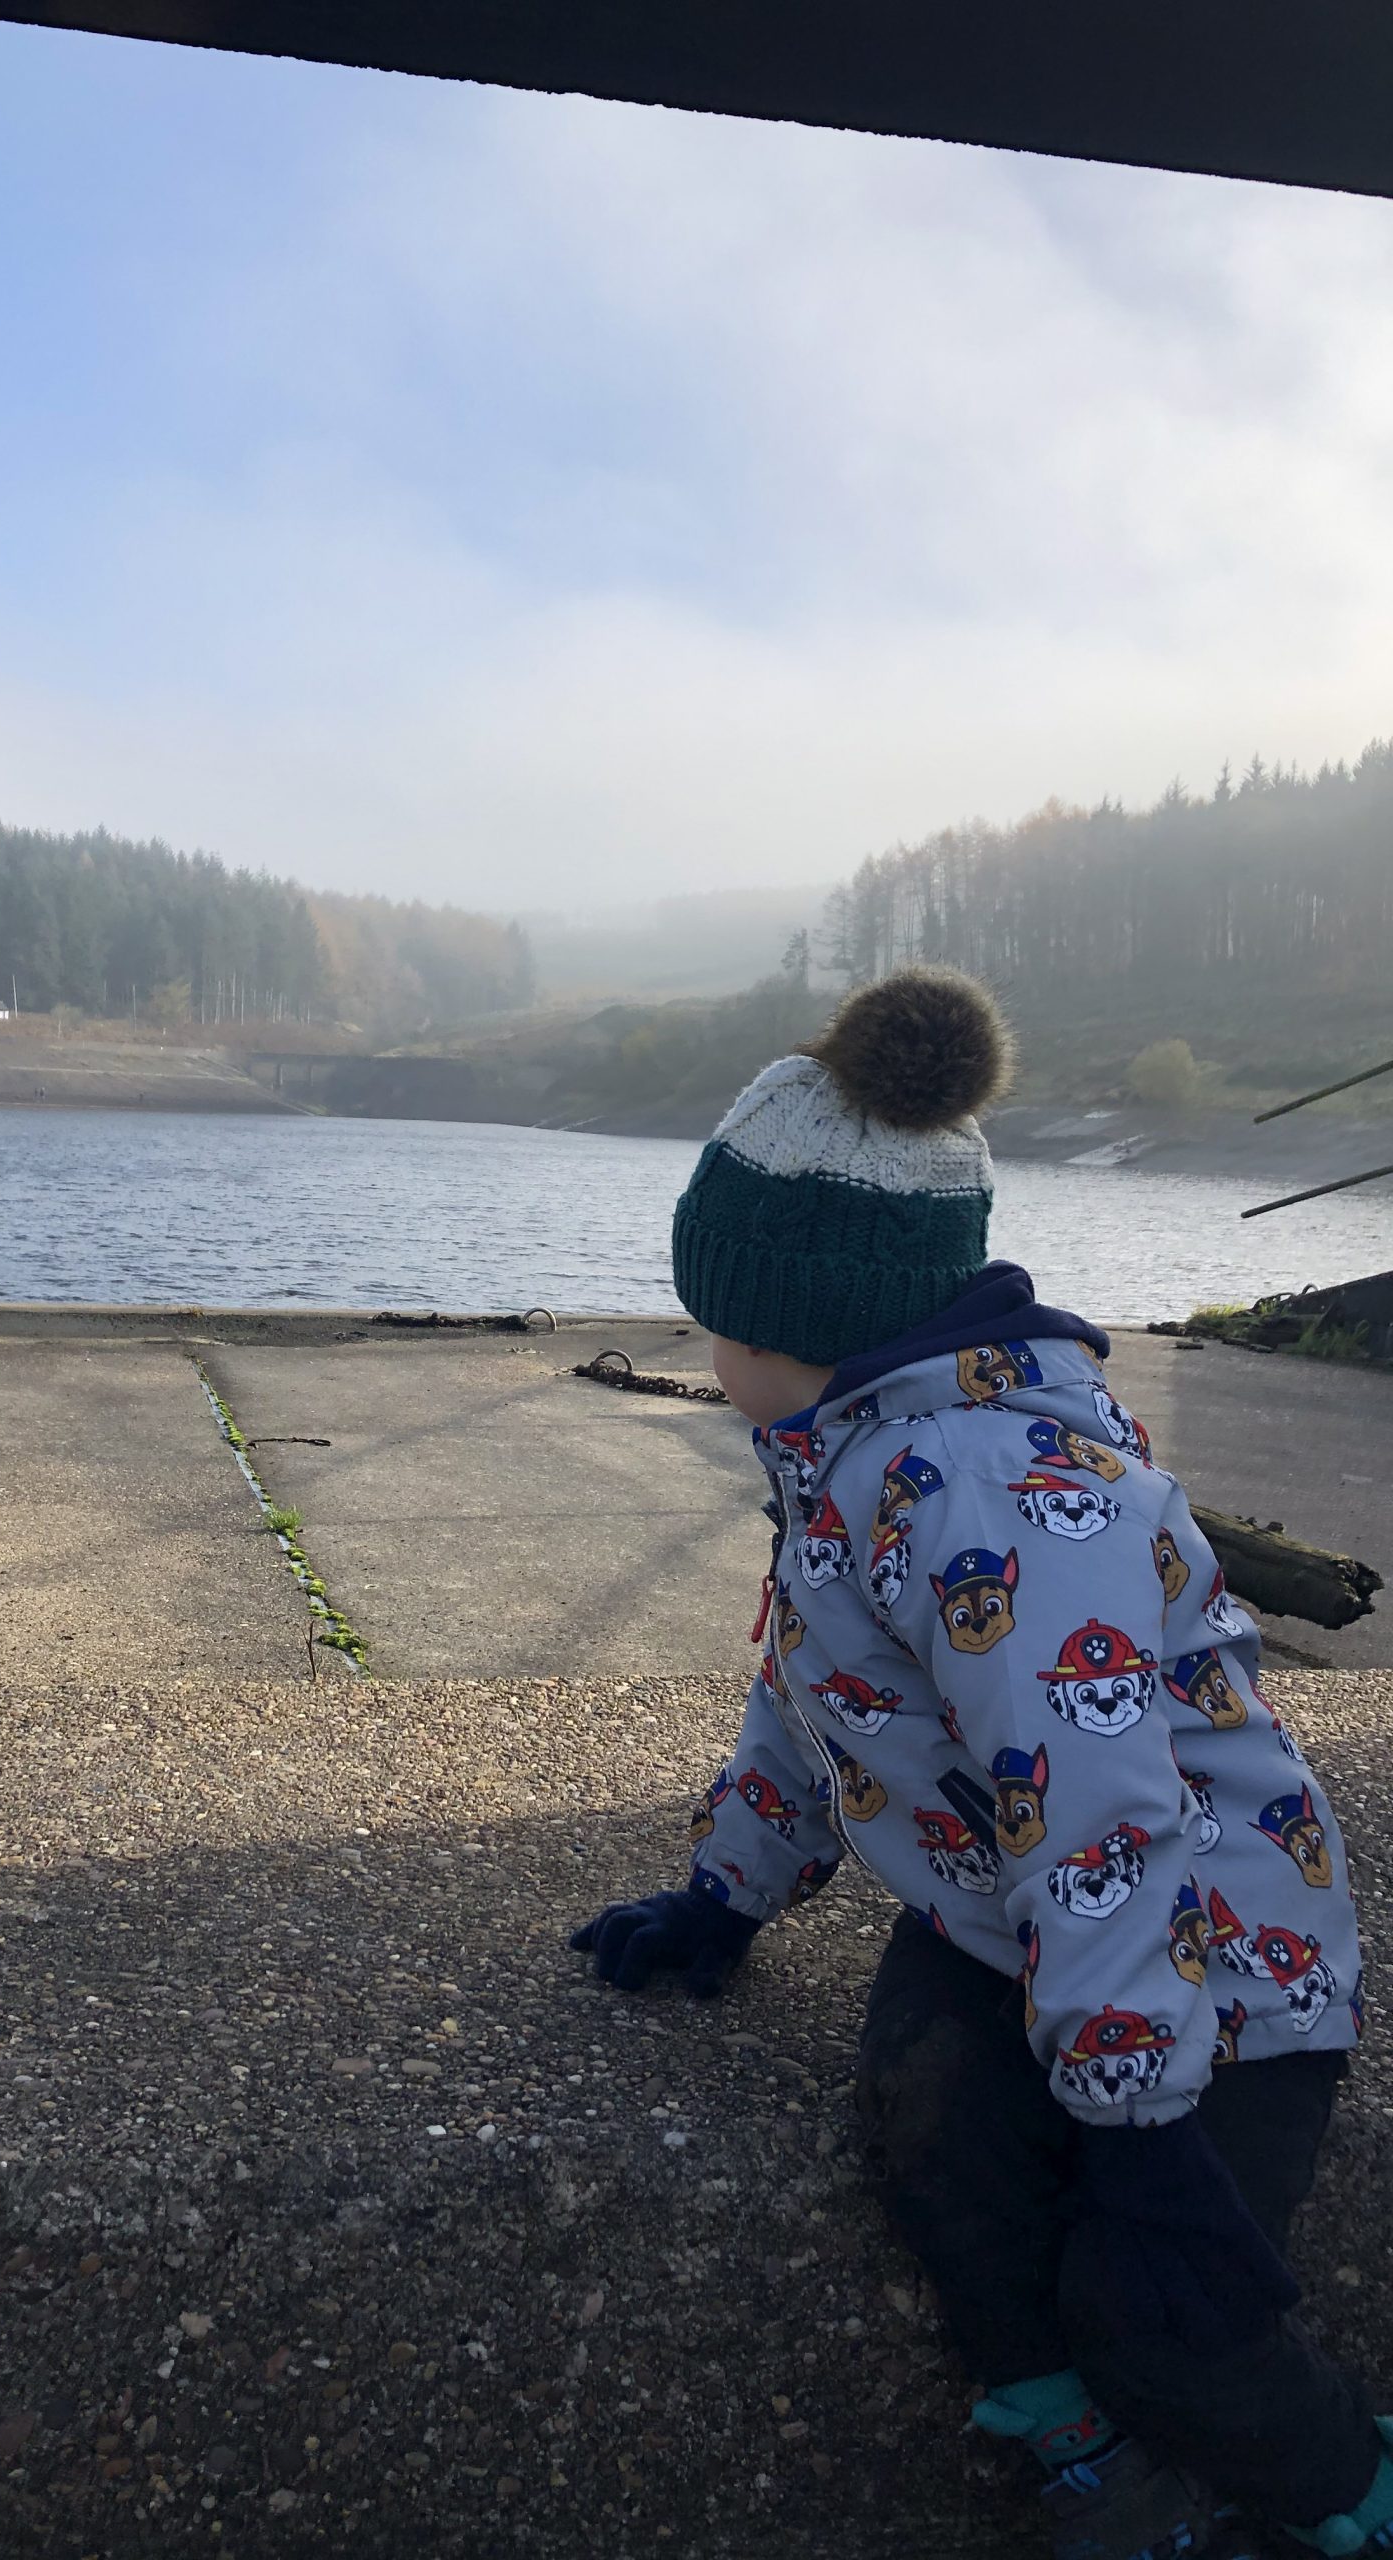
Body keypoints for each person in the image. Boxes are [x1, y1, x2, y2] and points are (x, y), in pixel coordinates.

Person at [572, 966, 1389, 2560]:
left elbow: (1104, 1804)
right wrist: (726, 1898)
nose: (709, 1348)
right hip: (1019, 1923)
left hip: (1213, 1956)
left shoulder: (980, 1487)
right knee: (932, 2130)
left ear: (788, 1317)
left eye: (715, 1319)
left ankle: (1342, 2493)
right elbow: (812, 1701)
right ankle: (1072, 2441)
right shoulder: (848, 1456)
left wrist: (1139, 2122)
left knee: (1161, 2299)